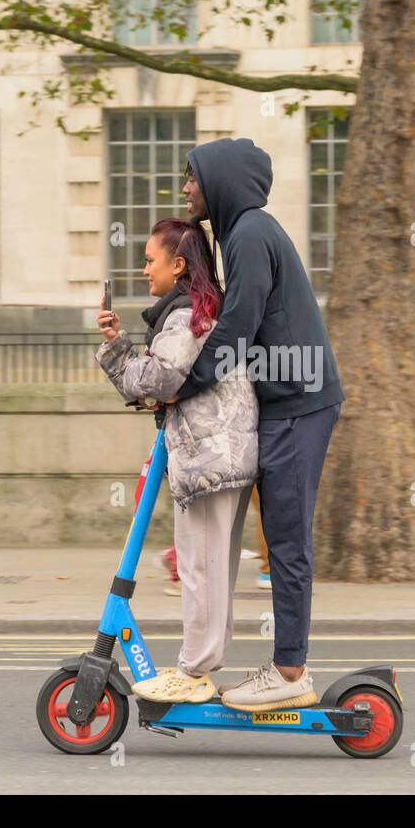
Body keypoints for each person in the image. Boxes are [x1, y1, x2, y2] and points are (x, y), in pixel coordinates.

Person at [172, 138, 344, 713]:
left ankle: (290, 669)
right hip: (287, 401)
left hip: (299, 403)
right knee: (282, 535)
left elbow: (237, 331)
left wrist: (179, 386)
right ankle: (284, 662)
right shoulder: (242, 233)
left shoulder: (248, 233)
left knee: (289, 540)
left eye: (192, 177)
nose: (185, 187)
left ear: (218, 179)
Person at [96, 217, 259, 704]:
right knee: (211, 567)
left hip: (210, 456)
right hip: (222, 452)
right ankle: (204, 662)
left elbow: (160, 379)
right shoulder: (196, 310)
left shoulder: (185, 313)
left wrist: (114, 352)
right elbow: (165, 380)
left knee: (200, 568)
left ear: (179, 264)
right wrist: (124, 350)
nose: (145, 269)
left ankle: (195, 671)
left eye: (151, 260)